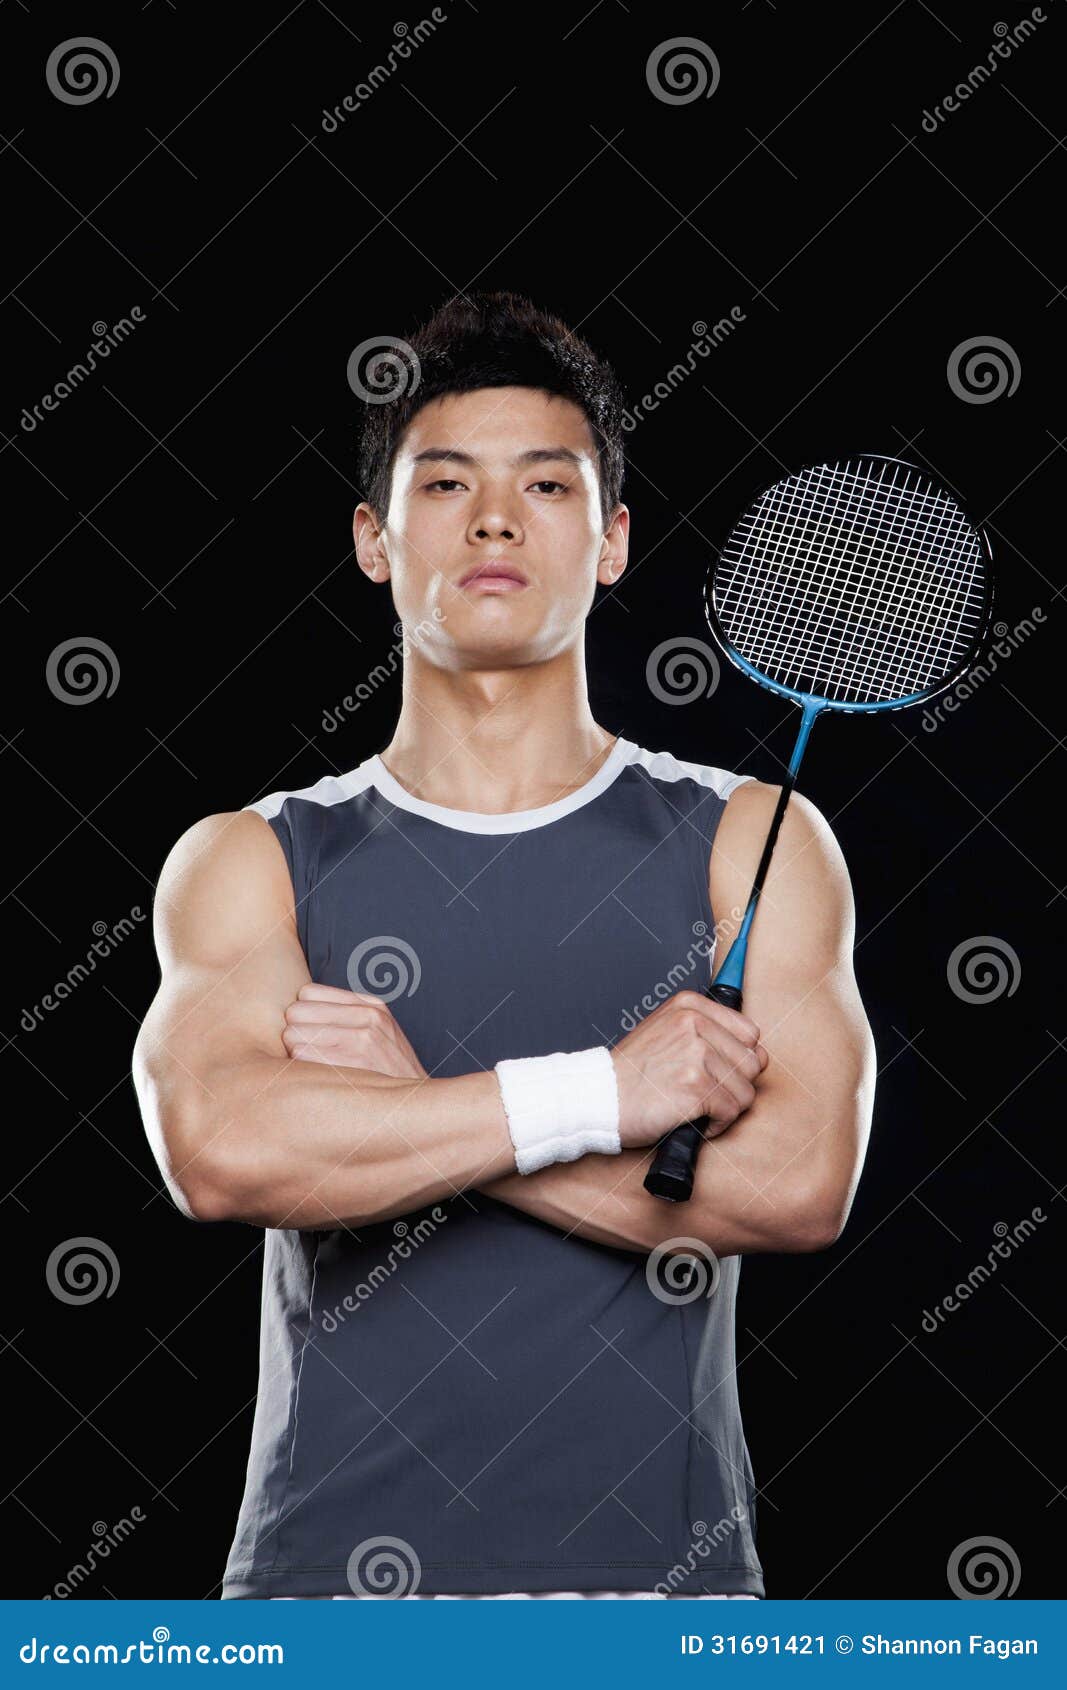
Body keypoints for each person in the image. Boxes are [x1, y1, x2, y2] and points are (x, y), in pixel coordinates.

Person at [133, 292, 875, 1600]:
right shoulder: (252, 856)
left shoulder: (750, 839)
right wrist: (605, 1096)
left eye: (546, 482)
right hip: (326, 1612)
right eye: (444, 483)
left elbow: (802, 1181)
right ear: (372, 540)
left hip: (664, 1607)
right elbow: (218, 1148)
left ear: (611, 541)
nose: (493, 518)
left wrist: (414, 1112)